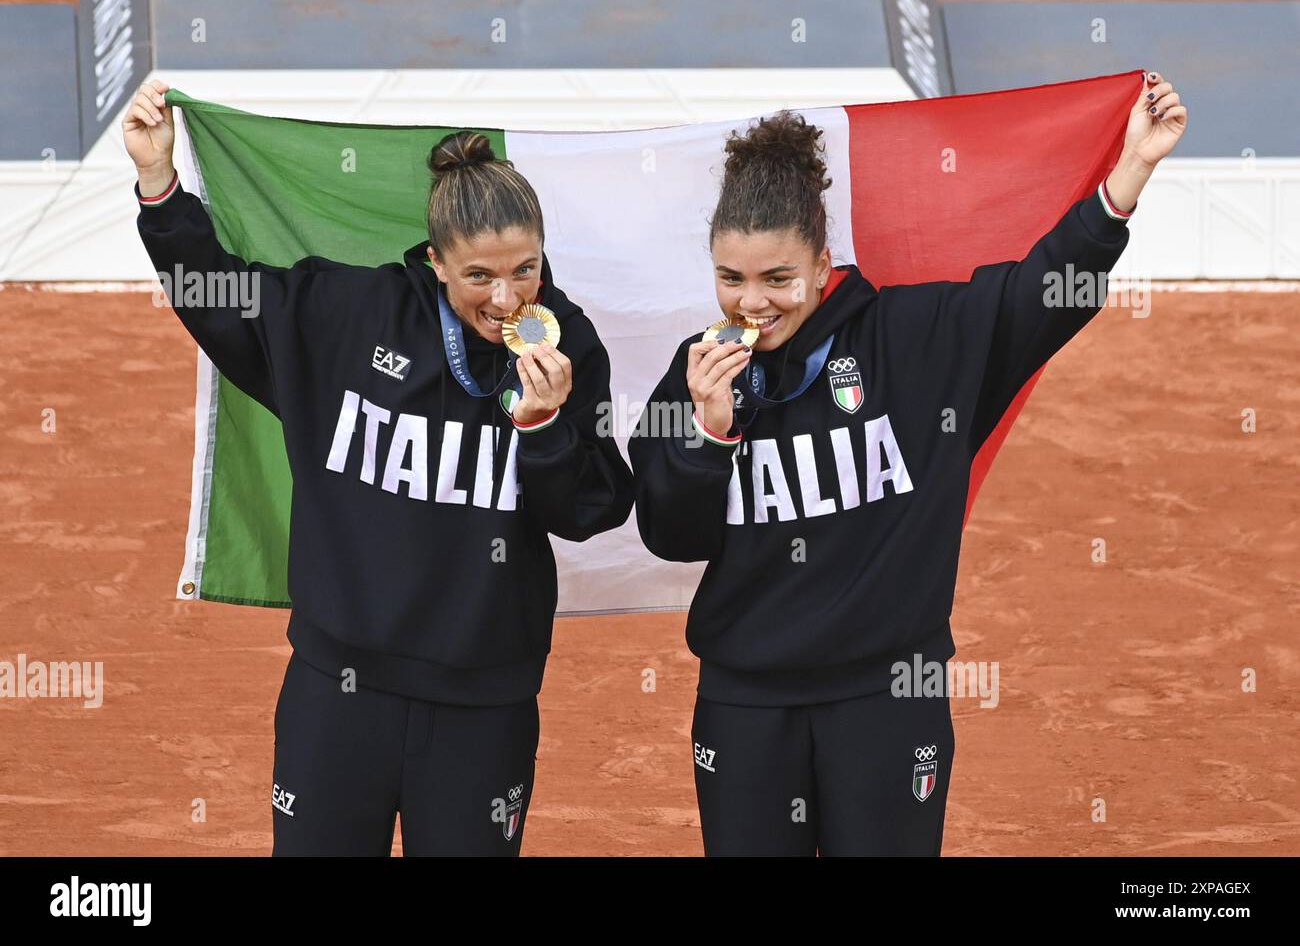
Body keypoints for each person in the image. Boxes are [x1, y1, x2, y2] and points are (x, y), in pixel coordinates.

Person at [629, 74, 1185, 855]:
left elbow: (1040, 297)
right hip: (745, 705)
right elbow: (669, 535)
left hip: (889, 699)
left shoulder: (915, 342)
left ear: (824, 264)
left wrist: (1128, 175)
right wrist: (709, 438)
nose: (752, 304)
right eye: (731, 279)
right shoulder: (700, 376)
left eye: (778, 279)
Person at [124, 79, 635, 856]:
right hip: (339, 691)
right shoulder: (347, 316)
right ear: (435, 262)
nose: (507, 299)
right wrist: (161, 187)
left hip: (483, 703)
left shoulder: (567, 348)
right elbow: (220, 298)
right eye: (479, 277)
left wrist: (547, 430)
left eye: (526, 270)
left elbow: (592, 510)